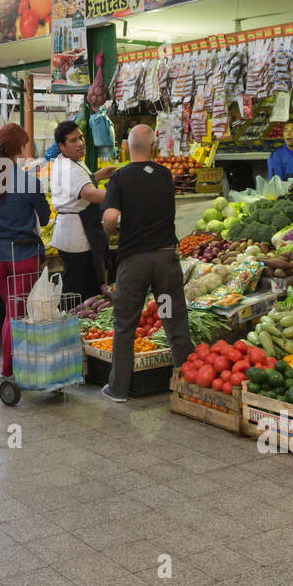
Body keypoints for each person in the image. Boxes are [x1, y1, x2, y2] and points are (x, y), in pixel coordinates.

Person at [100, 124, 194, 402]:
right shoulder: (165, 175)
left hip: (135, 264)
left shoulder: (120, 177)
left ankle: (118, 388)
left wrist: (112, 231)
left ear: (127, 147)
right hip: (165, 262)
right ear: (153, 147)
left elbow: (109, 217)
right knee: (173, 319)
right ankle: (186, 382)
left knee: (126, 324)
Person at [0, 124, 51, 389]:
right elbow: (44, 219)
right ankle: (7, 372)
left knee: (11, 312)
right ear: (20, 149)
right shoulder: (29, 182)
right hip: (22, 256)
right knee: (15, 315)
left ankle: (19, 364)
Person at [48, 119, 113, 304]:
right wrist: (120, 196)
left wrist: (98, 175)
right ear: (61, 146)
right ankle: (74, 323)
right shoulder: (69, 167)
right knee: (79, 289)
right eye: (73, 141)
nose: (80, 143)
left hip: (73, 233)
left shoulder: (69, 161)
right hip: (78, 237)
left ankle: (76, 321)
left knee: (78, 285)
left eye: (81, 138)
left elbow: (82, 182)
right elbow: (89, 193)